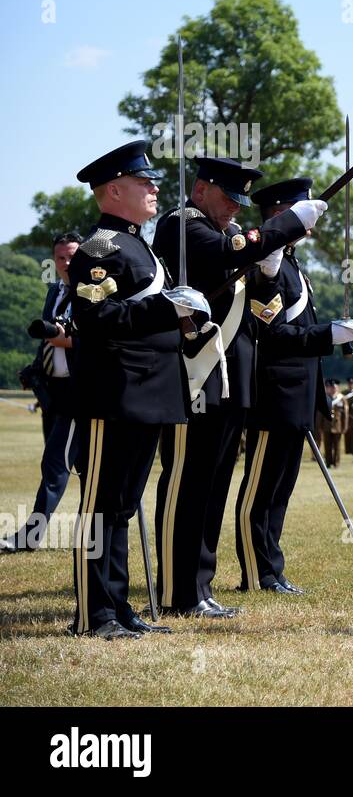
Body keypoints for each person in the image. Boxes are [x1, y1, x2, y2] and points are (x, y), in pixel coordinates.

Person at [152, 157, 322, 618]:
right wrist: (285, 226)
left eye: (240, 201)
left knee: (213, 486)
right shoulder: (182, 223)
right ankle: (176, 590)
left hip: (231, 377)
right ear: (202, 188)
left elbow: (260, 305)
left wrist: (267, 270)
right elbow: (223, 255)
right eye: (229, 198)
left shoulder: (227, 232)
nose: (234, 209)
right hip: (197, 372)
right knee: (187, 481)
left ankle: (199, 586)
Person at [63, 141, 195, 639]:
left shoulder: (141, 245)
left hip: (151, 390)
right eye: (144, 182)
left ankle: (118, 609)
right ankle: (93, 615)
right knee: (100, 506)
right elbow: (95, 319)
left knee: (122, 505)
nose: (154, 188)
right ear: (113, 190)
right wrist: (168, 309)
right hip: (113, 393)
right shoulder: (99, 249)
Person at [235, 178, 353, 594]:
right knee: (261, 490)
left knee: (279, 491)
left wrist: (330, 335)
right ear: (279, 215)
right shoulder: (265, 268)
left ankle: (272, 570)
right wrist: (327, 335)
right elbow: (271, 337)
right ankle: (257, 573)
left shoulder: (290, 264)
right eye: (299, 211)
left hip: (298, 396)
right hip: (274, 395)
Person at [2, 232, 83, 553]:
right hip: (53, 391)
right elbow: (47, 340)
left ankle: (30, 536)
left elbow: (102, 340)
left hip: (79, 394)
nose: (65, 264)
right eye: (60, 258)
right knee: (79, 467)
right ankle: (95, 534)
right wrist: (36, 371)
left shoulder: (93, 293)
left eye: (73, 257)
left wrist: (69, 340)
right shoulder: (56, 291)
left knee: (55, 466)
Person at [322, 378, 347, 467]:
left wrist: (345, 427)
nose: (332, 389)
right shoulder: (325, 398)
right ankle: (328, 463)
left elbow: (345, 414)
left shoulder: (342, 398)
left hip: (338, 426)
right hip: (327, 425)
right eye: (330, 387)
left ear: (337, 388)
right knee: (327, 446)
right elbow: (320, 414)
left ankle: (336, 463)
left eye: (334, 387)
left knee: (337, 446)